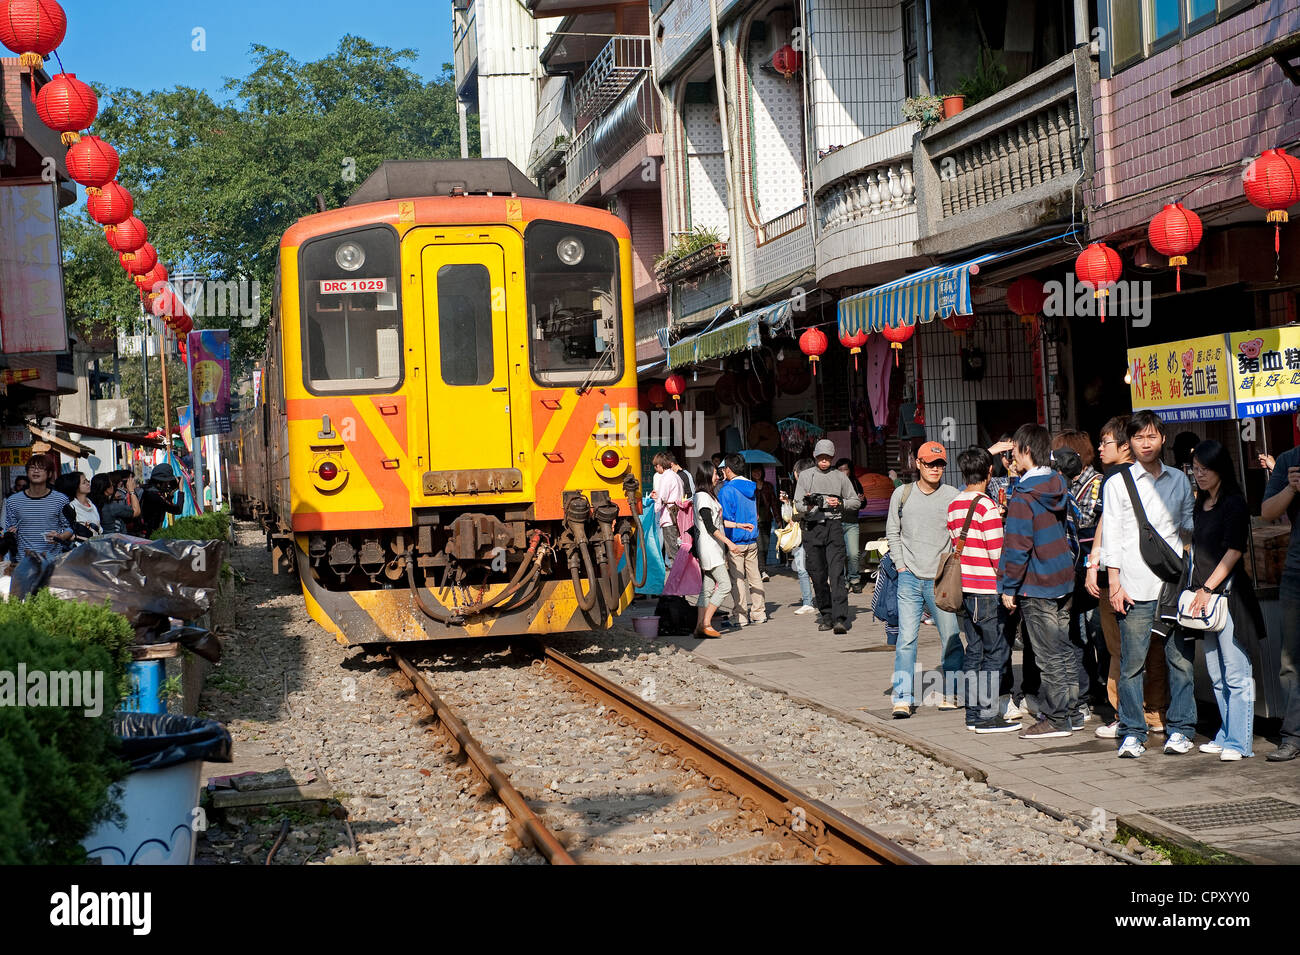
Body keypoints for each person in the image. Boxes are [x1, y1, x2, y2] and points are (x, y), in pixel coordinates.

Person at [1099, 410, 1195, 759]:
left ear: (1163, 439)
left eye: (1151, 436)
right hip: (1134, 586)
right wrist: (1114, 583)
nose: (1145, 443)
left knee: (1181, 662)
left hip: (1173, 587)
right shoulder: (1117, 484)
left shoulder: (1179, 480)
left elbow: (1187, 527)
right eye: (1138, 438)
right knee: (1131, 665)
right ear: (1130, 443)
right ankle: (1132, 731)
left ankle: (1182, 729)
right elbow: (1111, 535)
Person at [1086, 416, 1169, 739]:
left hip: (1120, 577)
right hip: (1154, 575)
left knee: (1121, 650)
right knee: (1155, 648)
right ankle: (1156, 713)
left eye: (1105, 442)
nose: (1100, 448)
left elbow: (1106, 525)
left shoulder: (1115, 479)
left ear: (1124, 446)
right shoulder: (1161, 475)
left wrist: (1095, 564)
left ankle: (1125, 714)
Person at [999, 424, 1078, 740]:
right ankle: (1071, 709)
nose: (1012, 456)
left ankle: (1058, 719)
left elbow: (1018, 545)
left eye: (1015, 449)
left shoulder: (1024, 496)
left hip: (1038, 581)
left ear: (1026, 451)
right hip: (1063, 576)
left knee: (1047, 654)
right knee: (1062, 648)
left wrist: (1008, 587)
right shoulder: (1057, 483)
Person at [1190, 440, 1262, 761]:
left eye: (1205, 468)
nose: (1199, 474)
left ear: (1220, 468)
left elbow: (1235, 551)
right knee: (1216, 676)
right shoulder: (1200, 503)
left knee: (1236, 674)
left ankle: (1239, 742)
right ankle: (1227, 732)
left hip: (1229, 598)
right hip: (1205, 601)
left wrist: (1207, 588)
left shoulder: (1234, 502)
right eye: (1195, 468)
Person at [885, 440, 961, 715]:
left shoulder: (953, 495)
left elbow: (960, 533)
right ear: (918, 464)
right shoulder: (902, 494)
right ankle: (903, 698)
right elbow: (892, 531)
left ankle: (952, 692)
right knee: (906, 640)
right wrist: (901, 565)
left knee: (950, 636)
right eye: (929, 463)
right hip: (909, 577)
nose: (935, 469)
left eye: (940, 464)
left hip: (942, 578)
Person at [948, 447, 1016, 732]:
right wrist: (1009, 588)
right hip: (987, 590)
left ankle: (973, 714)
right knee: (996, 652)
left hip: (965, 590)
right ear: (990, 472)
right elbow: (997, 554)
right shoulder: (987, 507)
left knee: (974, 651)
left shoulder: (953, 504)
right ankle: (988, 716)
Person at [1054, 429, 1106, 711]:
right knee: (1080, 632)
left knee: (1094, 631)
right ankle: (1087, 692)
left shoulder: (1096, 482)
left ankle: (1096, 692)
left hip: (1092, 566)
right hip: (1074, 568)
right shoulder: (1068, 482)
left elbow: (1086, 519)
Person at [795, 439, 861, 635]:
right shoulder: (806, 476)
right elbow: (797, 504)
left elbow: (855, 501)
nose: (824, 462)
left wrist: (839, 503)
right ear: (815, 457)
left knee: (836, 573)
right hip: (813, 527)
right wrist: (810, 504)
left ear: (832, 458)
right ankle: (826, 614)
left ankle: (840, 618)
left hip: (834, 527)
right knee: (818, 574)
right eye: (821, 458)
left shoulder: (840, 477)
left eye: (827, 458)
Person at [1260, 442, 1300, 760]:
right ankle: (1292, 735)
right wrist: (1291, 487)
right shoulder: (1289, 460)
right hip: (1296, 573)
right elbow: (1268, 512)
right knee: (1291, 659)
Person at [2, 454, 72, 597]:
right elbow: (7, 530)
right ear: (27, 472)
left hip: (53, 563)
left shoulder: (60, 499)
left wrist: (60, 536)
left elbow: (69, 528)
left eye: (41, 468)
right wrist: (10, 533)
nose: (35, 471)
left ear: (50, 474)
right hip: (24, 564)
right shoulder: (13, 501)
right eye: (32, 468)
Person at [718, 453, 765, 626]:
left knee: (737, 579)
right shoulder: (751, 487)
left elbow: (725, 519)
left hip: (735, 540)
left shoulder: (727, 490)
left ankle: (741, 615)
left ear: (728, 470)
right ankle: (759, 613)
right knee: (755, 576)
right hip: (751, 538)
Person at [691, 466, 737, 638]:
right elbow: (710, 527)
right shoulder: (702, 497)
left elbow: (718, 523)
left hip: (713, 547)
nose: (718, 476)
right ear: (706, 476)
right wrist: (730, 543)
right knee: (725, 585)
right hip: (710, 548)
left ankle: (698, 628)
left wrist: (739, 526)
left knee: (707, 588)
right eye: (715, 474)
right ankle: (706, 623)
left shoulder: (708, 495)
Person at [784, 458, 818, 614]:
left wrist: (796, 517)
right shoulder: (798, 489)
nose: (794, 475)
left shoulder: (811, 490)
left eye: (795, 472)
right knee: (803, 568)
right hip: (801, 534)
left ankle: (814, 600)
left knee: (813, 568)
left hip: (811, 532)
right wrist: (786, 503)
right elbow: (790, 516)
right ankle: (807, 601)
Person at [650, 452, 685, 566]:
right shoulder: (676, 476)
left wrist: (654, 508)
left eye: (656, 466)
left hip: (669, 516)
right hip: (678, 513)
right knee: (678, 546)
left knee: (672, 550)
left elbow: (662, 497)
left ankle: (677, 578)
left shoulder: (666, 477)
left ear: (660, 465)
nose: (656, 469)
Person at [837, 458, 866, 592]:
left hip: (852, 523)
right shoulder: (833, 484)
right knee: (840, 554)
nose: (843, 472)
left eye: (845, 469)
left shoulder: (855, 482)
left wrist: (862, 500)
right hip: (837, 522)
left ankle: (854, 579)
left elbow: (863, 504)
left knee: (853, 553)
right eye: (840, 470)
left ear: (850, 470)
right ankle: (843, 581)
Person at [54, 471, 101, 542]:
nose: (88, 484)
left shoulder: (92, 504)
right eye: (84, 482)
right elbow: (69, 532)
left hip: (97, 546)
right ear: (75, 486)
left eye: (87, 481)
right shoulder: (70, 507)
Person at [140, 463, 184, 535]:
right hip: (149, 535)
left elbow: (164, 504)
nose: (168, 484)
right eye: (168, 481)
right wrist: (181, 490)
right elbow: (177, 510)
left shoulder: (147, 490)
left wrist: (170, 494)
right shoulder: (155, 495)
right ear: (162, 481)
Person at [751, 464, 779, 578]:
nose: (756, 473)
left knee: (766, 545)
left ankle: (762, 568)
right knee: (760, 545)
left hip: (766, 519)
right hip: (755, 520)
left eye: (758, 471)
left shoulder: (768, 486)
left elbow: (774, 503)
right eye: (754, 471)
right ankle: (762, 570)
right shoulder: (750, 486)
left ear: (762, 472)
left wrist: (778, 519)